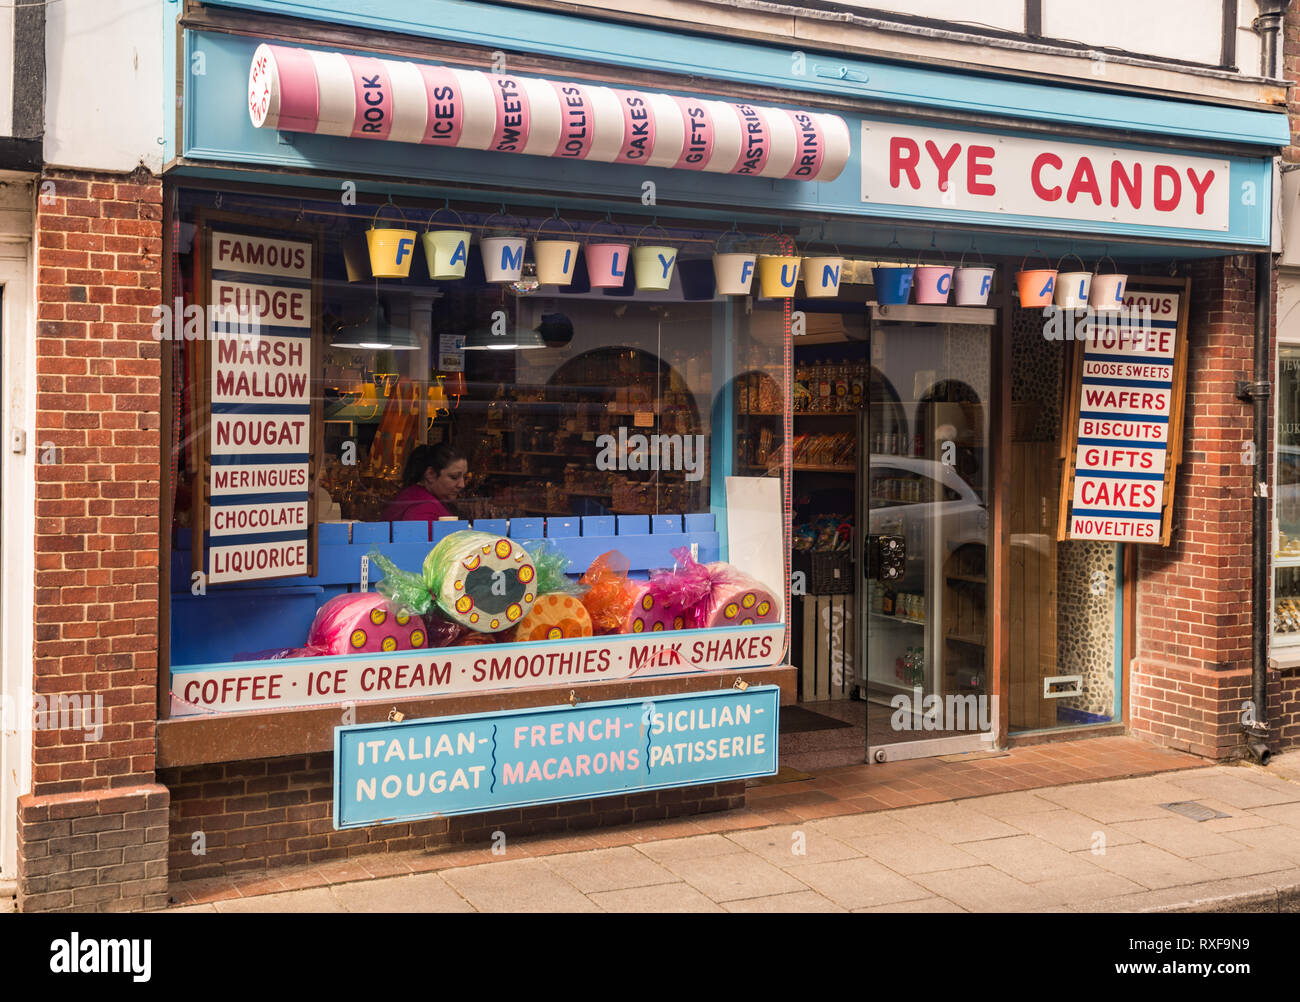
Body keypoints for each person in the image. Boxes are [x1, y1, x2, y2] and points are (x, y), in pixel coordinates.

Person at [382, 443, 468, 522]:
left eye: (464, 477)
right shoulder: (424, 508)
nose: (462, 485)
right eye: (454, 477)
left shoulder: (415, 497)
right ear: (431, 474)